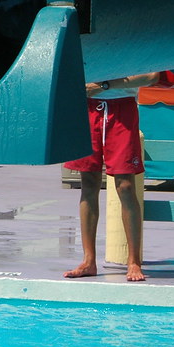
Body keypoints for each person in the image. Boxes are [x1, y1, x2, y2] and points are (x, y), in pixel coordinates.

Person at [63, 71, 161, 282]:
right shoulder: (84, 39)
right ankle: (88, 261)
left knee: (125, 186)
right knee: (88, 182)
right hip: (87, 108)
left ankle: (133, 261)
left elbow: (152, 76)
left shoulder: (136, 39)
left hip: (121, 108)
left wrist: (104, 85)